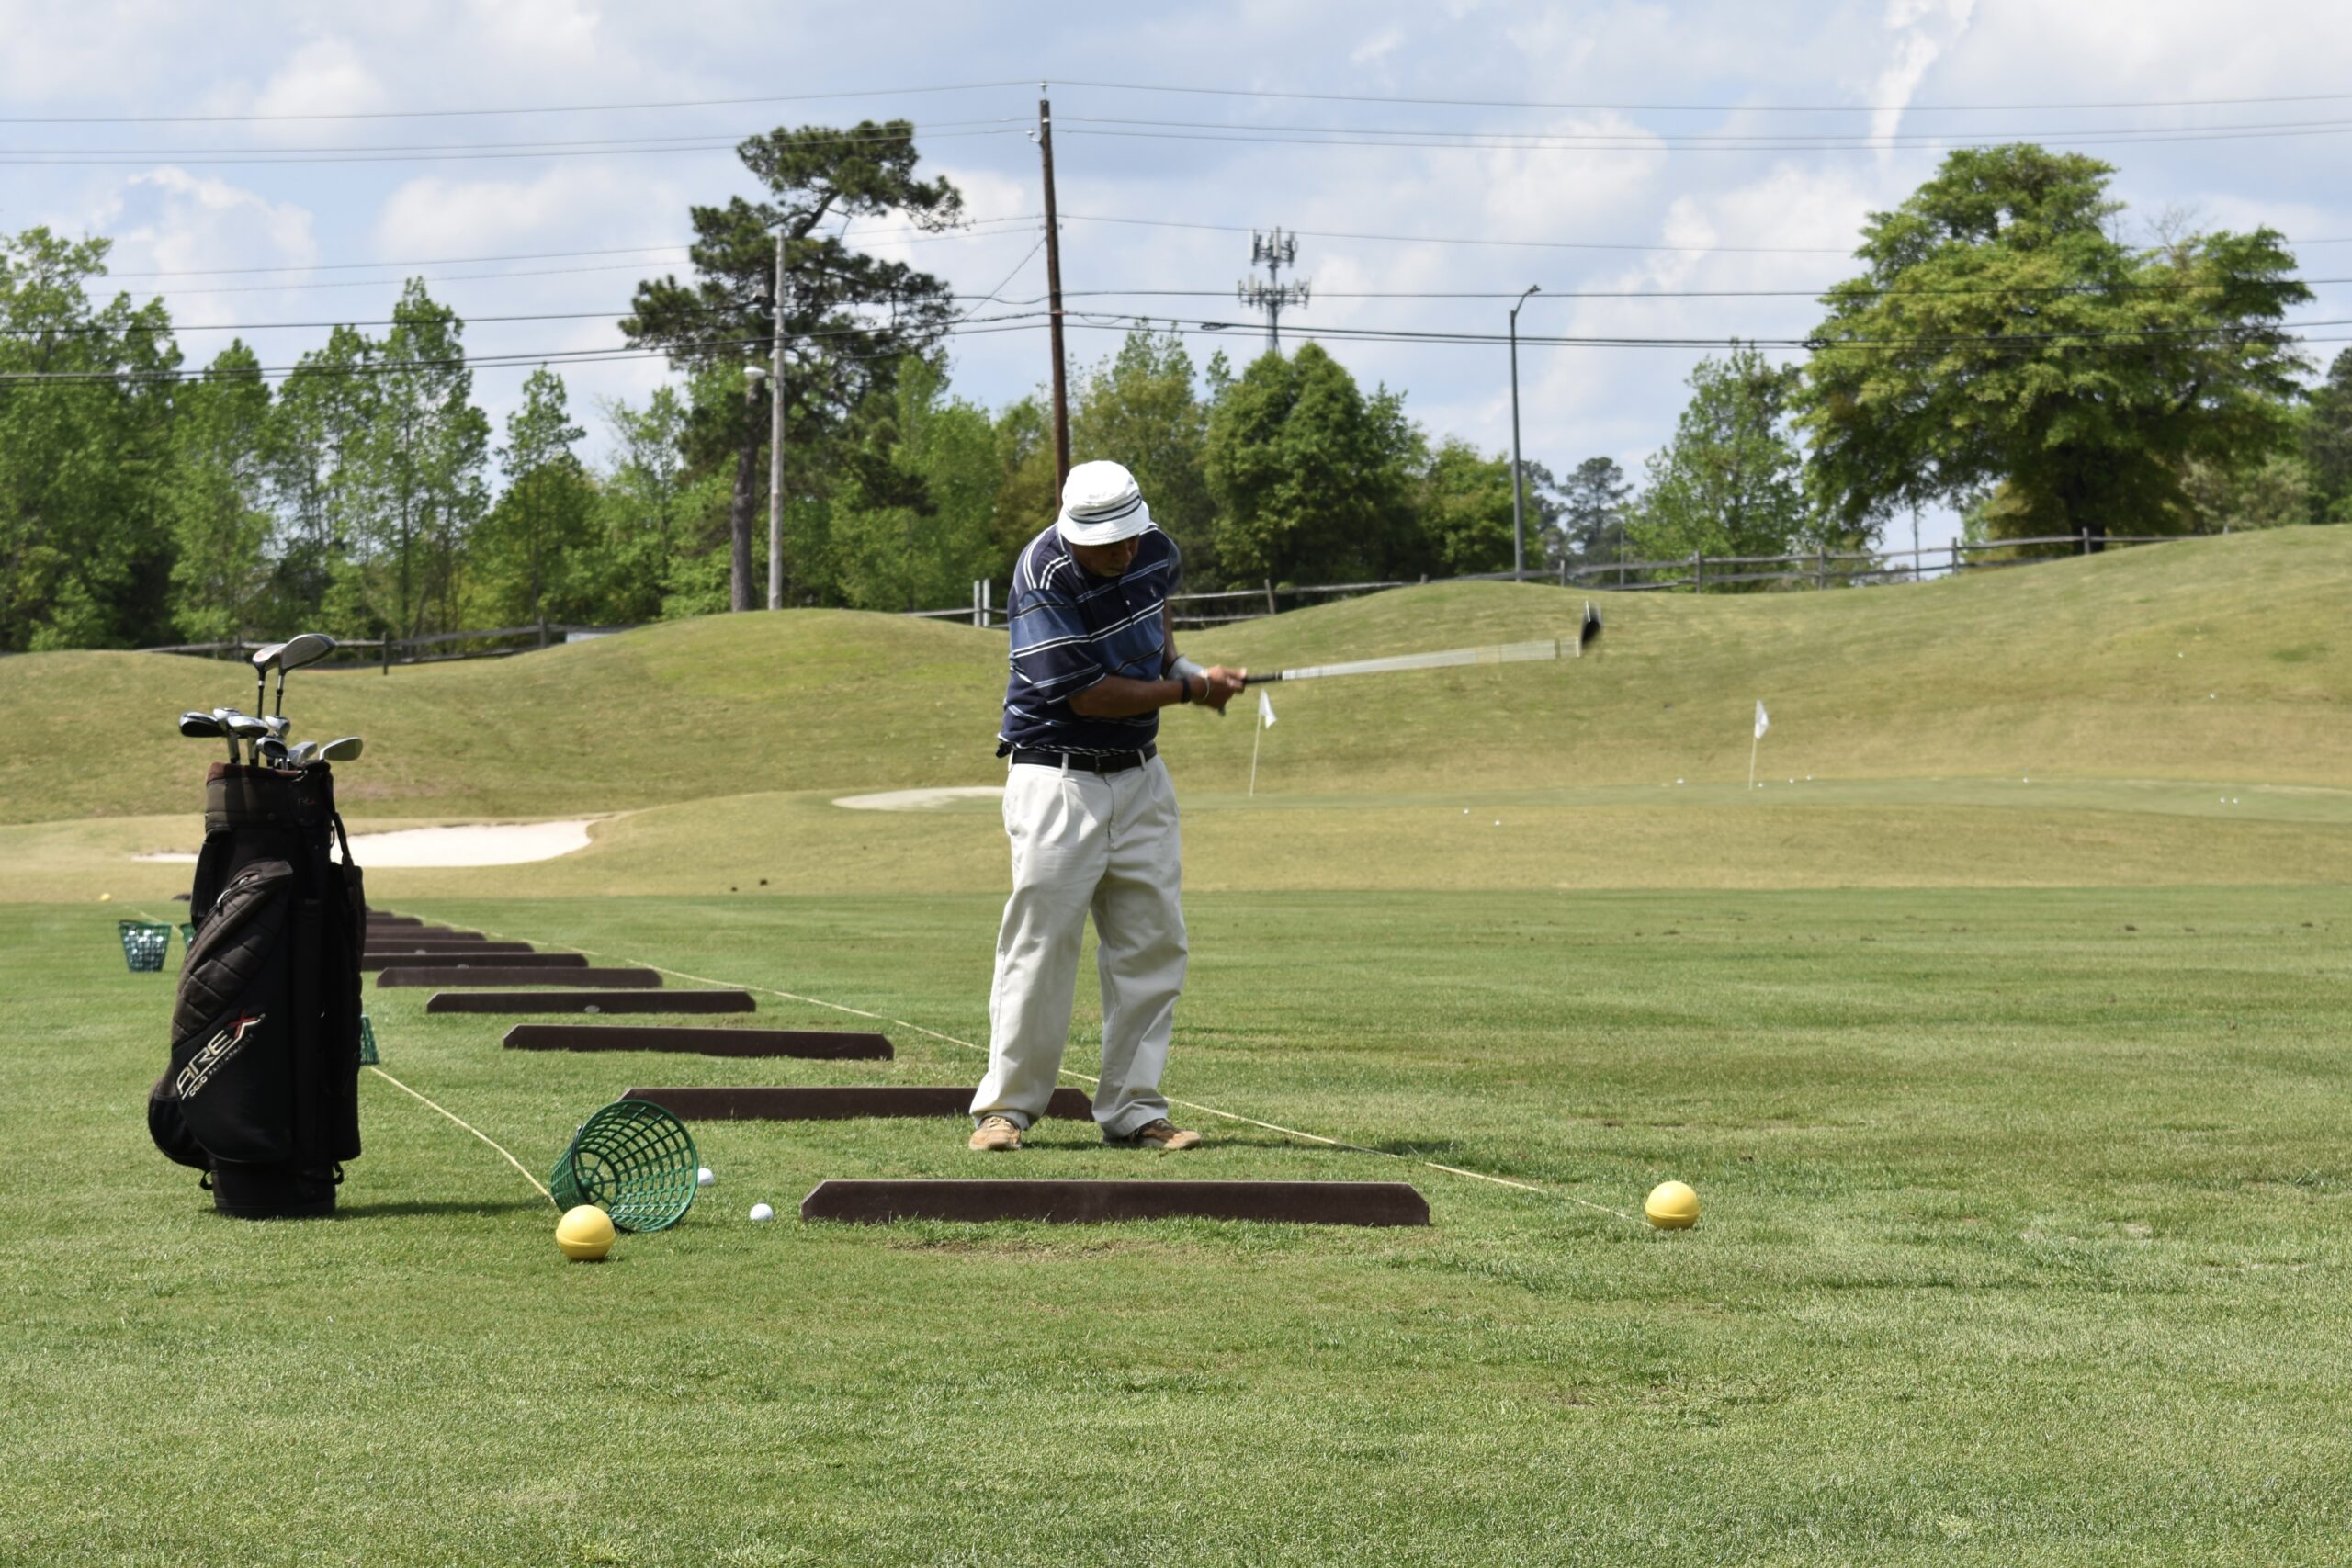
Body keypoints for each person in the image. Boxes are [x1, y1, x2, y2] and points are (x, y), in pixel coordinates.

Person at [967, 460, 1245, 1152]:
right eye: (1110, 544)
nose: (1125, 552)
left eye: (1130, 537)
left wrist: (1180, 667)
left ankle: (1134, 1109)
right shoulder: (1044, 574)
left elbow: (1155, 614)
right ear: (1073, 533)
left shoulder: (1150, 548)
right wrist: (1191, 693)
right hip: (1058, 776)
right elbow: (1087, 694)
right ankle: (1005, 1110)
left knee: (1153, 944)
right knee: (1041, 945)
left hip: (1140, 777)